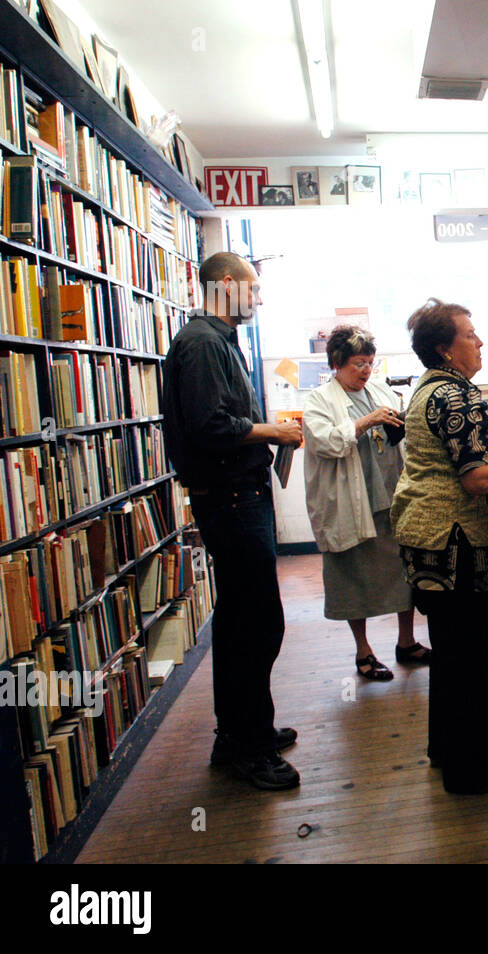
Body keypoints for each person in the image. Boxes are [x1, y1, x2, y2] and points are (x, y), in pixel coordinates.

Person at [161, 252, 303, 790]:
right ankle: (248, 746)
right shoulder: (201, 343)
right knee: (254, 622)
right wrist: (274, 433)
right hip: (231, 497)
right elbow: (212, 426)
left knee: (247, 619)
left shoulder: (217, 341)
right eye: (254, 288)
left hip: (239, 495)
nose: (260, 298)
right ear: (226, 285)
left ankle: (243, 733)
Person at [389, 299, 488, 794]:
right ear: (445, 348)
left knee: (449, 652)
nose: (480, 341)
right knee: (469, 654)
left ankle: (447, 750)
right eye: (470, 334)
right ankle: (476, 773)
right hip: (453, 543)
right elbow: (478, 481)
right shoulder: (456, 397)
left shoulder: (428, 390)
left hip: (426, 541)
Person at [303, 325, 426, 681]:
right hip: (350, 505)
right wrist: (367, 421)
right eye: (358, 363)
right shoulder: (319, 400)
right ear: (337, 362)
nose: (366, 371)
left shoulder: (378, 389)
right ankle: (364, 651)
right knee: (351, 577)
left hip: (390, 497)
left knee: (402, 574)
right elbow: (325, 442)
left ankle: (407, 642)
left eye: (370, 362)